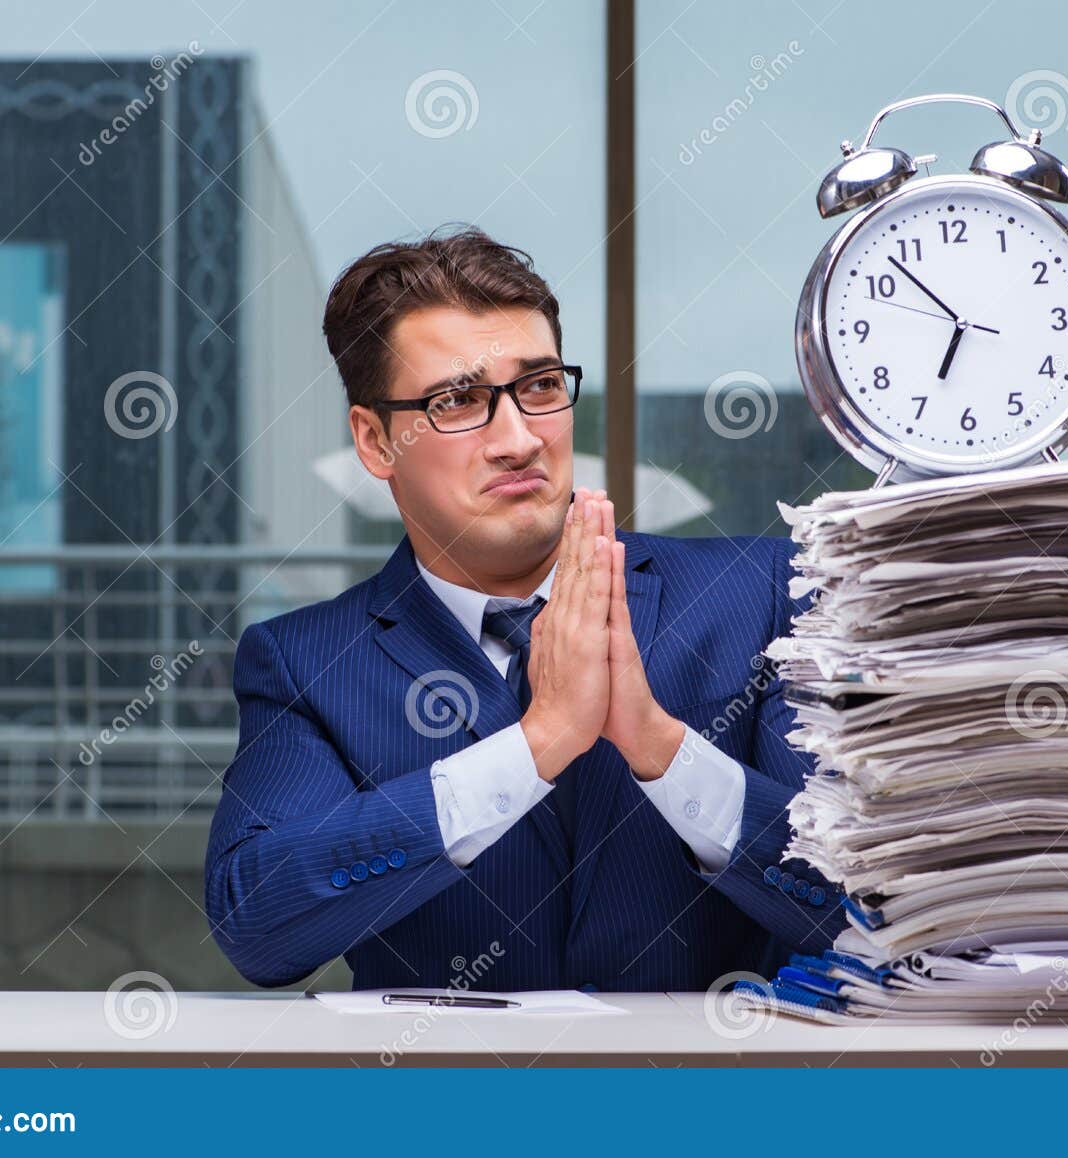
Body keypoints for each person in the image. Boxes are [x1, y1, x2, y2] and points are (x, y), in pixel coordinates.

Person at [203, 226, 845, 990]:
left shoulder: (763, 593)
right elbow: (259, 927)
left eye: (539, 387)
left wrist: (660, 749)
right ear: (376, 443)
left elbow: (862, 906)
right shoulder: (306, 662)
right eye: (458, 400)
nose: (518, 440)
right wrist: (535, 747)